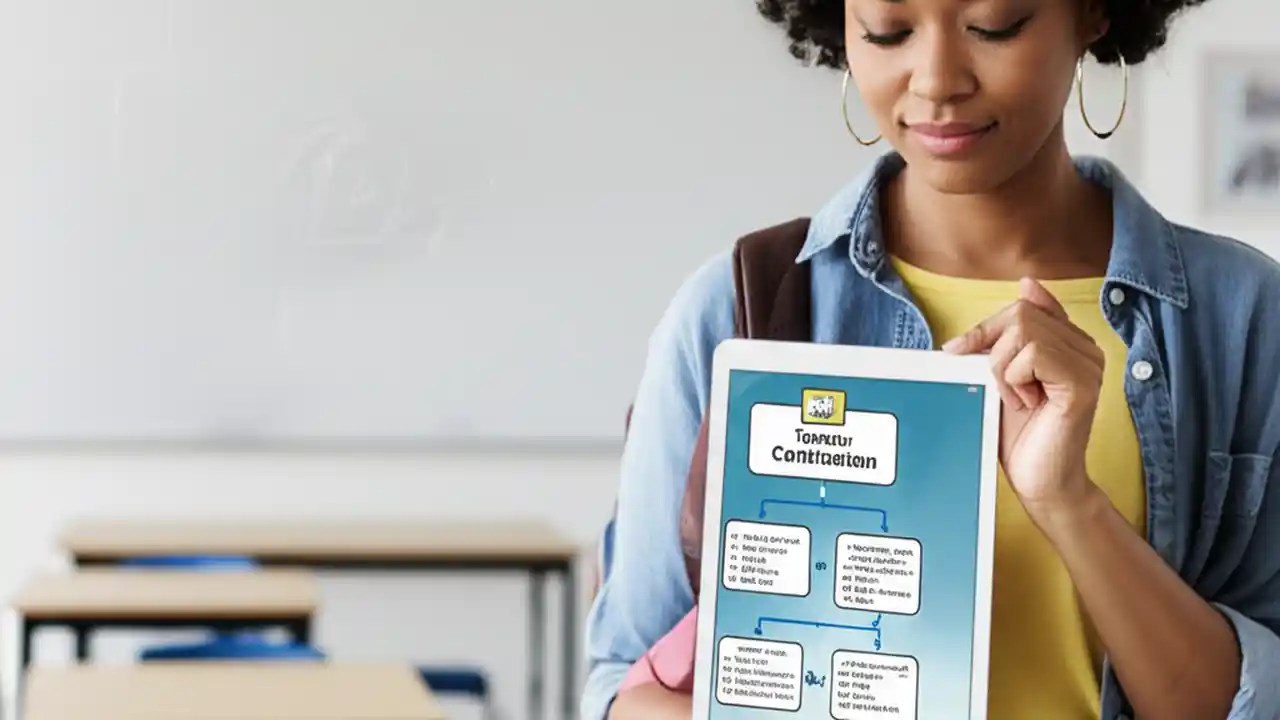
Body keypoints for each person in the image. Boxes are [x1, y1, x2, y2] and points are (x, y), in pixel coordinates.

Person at [582, 0, 1280, 718]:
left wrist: (1069, 503)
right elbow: (621, 685)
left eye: (994, 26)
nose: (938, 80)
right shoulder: (737, 309)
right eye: (888, 32)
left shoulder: (1244, 317)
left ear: (1093, 13)